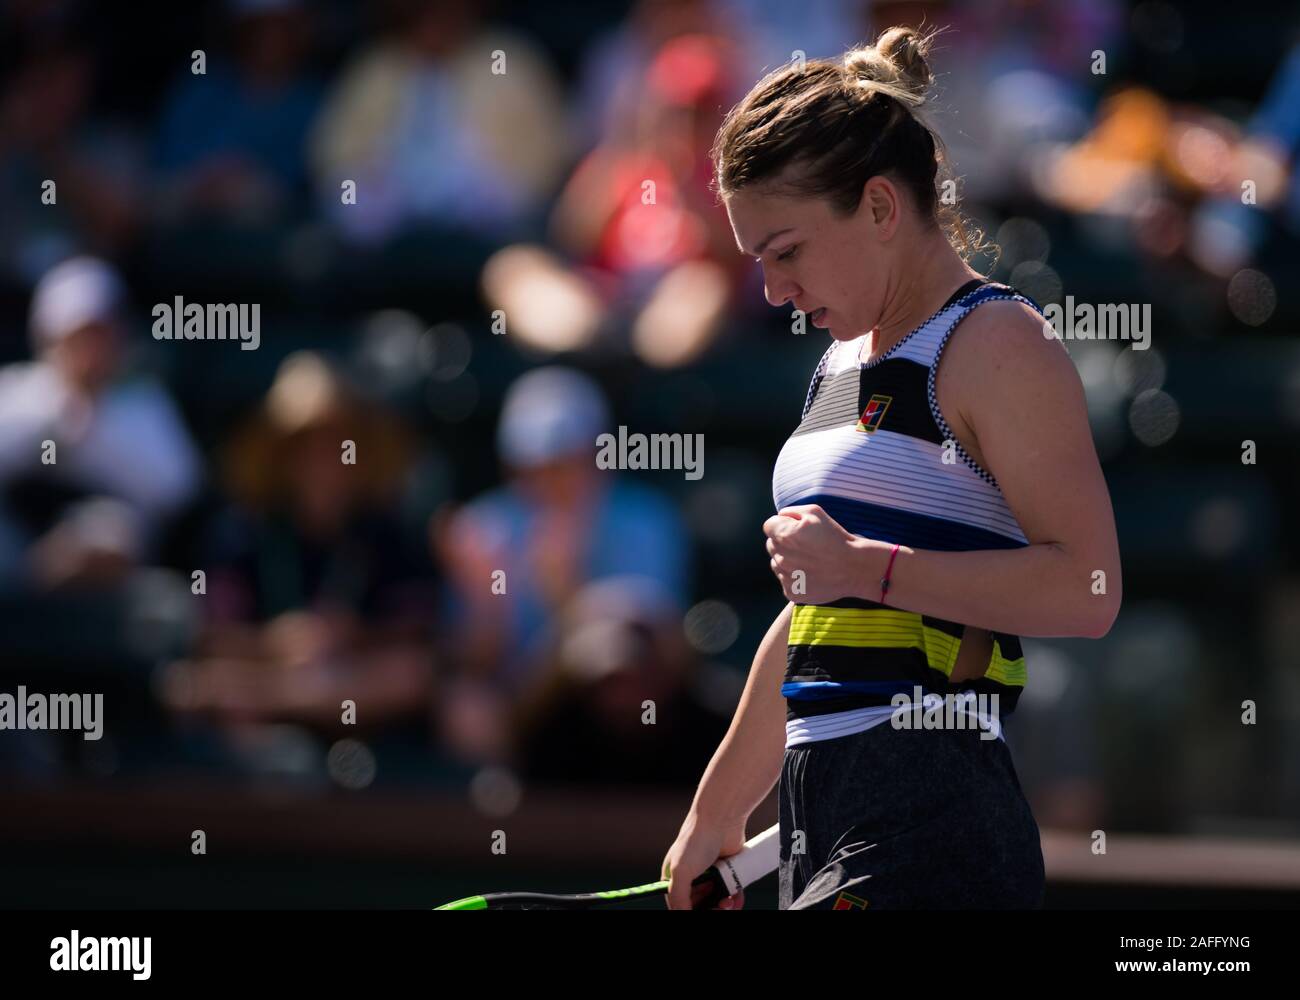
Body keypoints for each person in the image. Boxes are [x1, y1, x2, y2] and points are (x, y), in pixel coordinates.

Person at [661, 27, 1122, 910]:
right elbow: (815, 611)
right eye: (759, 260)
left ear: (879, 207)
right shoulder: (843, 363)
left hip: (937, 804)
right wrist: (716, 810)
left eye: (786, 251)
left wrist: (865, 568)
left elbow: (1090, 589)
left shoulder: (997, 341)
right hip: (821, 806)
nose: (773, 292)